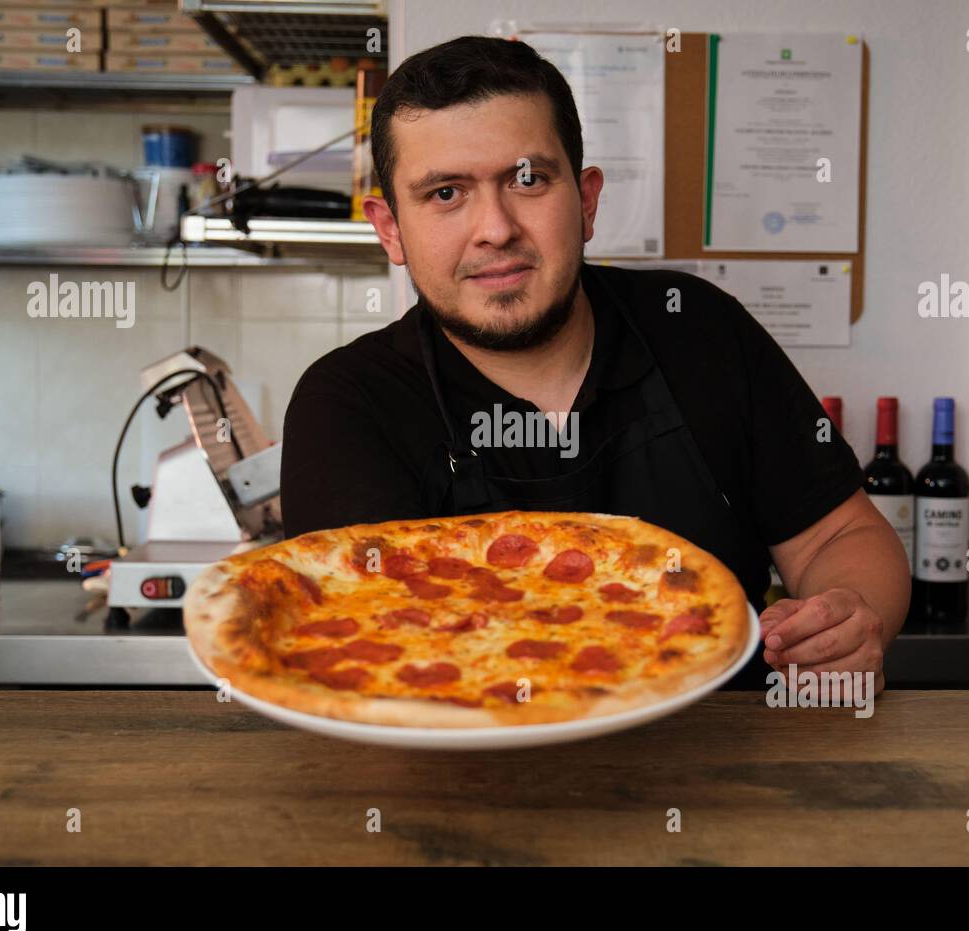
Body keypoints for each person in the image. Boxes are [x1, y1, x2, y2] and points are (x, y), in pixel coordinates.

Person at [281, 35, 909, 691]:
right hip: (459, 784)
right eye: (445, 193)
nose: (494, 228)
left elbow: (838, 537)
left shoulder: (698, 328)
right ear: (389, 228)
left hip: (724, 769)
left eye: (528, 180)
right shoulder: (348, 403)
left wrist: (851, 613)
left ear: (585, 200)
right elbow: (365, 649)